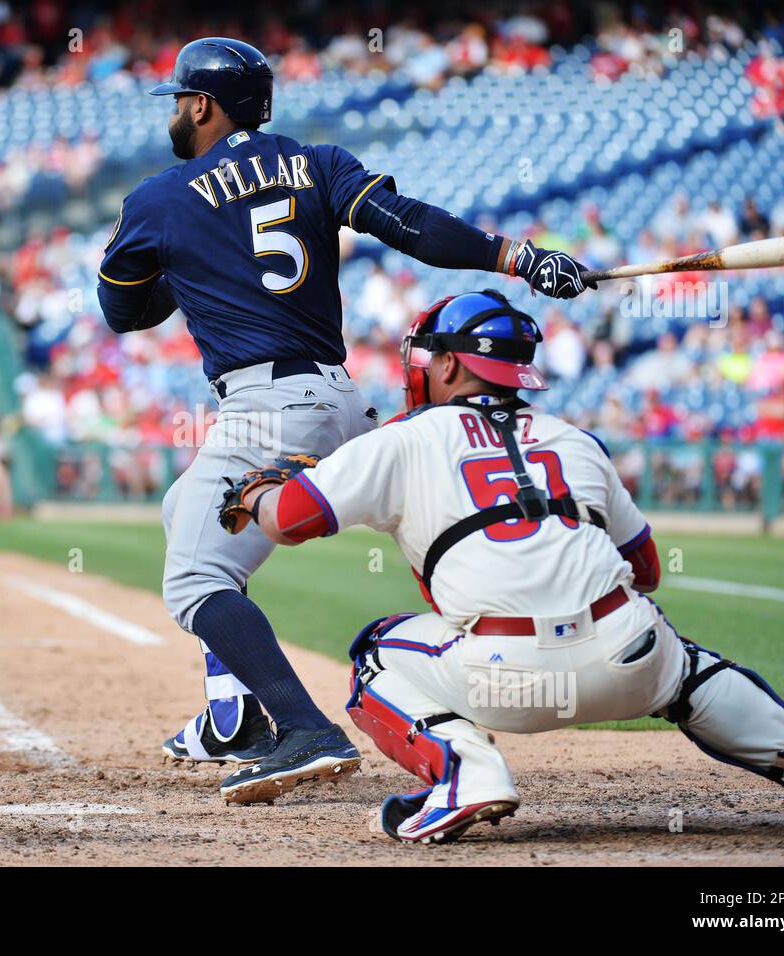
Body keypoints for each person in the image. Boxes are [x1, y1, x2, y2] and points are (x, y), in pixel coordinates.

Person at [96, 38, 595, 804]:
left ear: (201, 104)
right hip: (339, 400)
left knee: (197, 576)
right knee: (195, 511)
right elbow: (409, 226)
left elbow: (124, 310)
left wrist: (187, 260)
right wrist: (521, 260)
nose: (175, 111)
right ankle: (233, 716)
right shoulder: (318, 162)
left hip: (265, 410)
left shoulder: (161, 198)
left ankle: (303, 730)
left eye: (178, 99)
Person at [219, 289, 784, 839]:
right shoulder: (576, 439)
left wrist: (256, 492)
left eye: (427, 358)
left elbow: (292, 522)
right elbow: (645, 569)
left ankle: (467, 772)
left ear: (448, 367)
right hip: (630, 658)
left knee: (375, 653)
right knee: (687, 664)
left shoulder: (403, 440)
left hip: (504, 681)